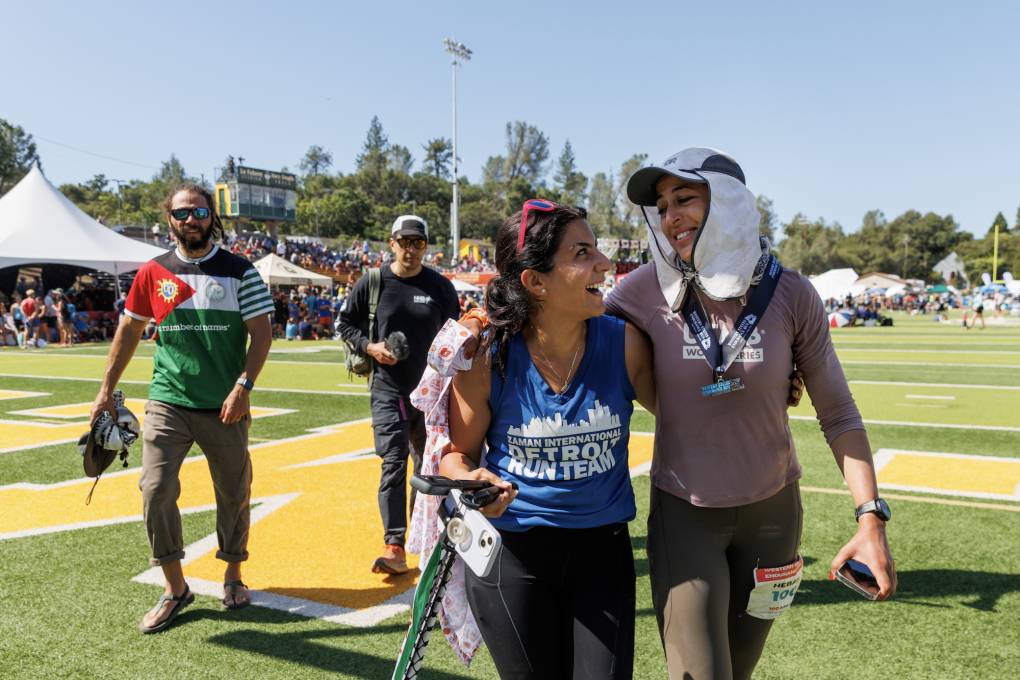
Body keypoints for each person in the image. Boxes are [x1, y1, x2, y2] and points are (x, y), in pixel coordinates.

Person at [609, 148, 895, 680]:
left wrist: (870, 517)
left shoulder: (791, 293)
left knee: (738, 672)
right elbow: (567, 324)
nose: (671, 215)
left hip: (773, 519)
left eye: (686, 198)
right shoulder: (643, 288)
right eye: (663, 204)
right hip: (685, 513)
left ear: (731, 203)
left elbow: (838, 411)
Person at [439, 202, 657, 679]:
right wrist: (472, 481)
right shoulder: (485, 356)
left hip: (603, 553)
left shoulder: (624, 344)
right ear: (535, 282)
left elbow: (691, 415)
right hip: (511, 554)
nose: (604, 264)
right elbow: (457, 456)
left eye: (598, 249)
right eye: (583, 253)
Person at [90, 183, 273, 634]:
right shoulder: (152, 272)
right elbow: (129, 332)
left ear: (213, 217)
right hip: (168, 400)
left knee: (234, 491)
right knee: (154, 488)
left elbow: (262, 333)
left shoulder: (240, 271)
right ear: (169, 220)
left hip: (225, 404)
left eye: (199, 211)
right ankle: (175, 588)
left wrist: (243, 386)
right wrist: (105, 390)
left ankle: (232, 573)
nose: (190, 219)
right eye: (181, 212)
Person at [335, 215, 459, 574]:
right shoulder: (373, 282)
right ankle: (394, 545)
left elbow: (455, 332)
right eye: (404, 241)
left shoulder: (439, 286)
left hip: (431, 392)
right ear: (391, 243)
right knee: (393, 462)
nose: (411, 249)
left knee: (427, 466)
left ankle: (425, 539)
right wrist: (370, 347)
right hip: (388, 388)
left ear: (425, 246)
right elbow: (345, 323)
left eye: (417, 242)